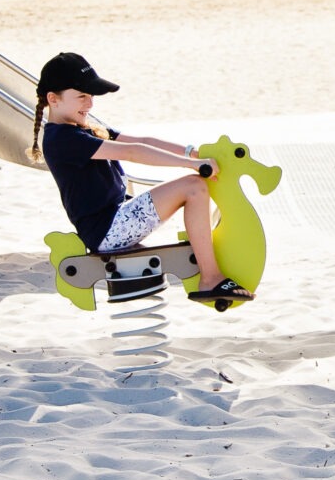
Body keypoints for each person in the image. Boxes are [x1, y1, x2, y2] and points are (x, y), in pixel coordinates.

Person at [30, 52, 252, 304]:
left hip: (117, 217)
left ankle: (207, 258)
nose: (89, 104)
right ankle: (210, 278)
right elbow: (131, 152)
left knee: (195, 185)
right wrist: (191, 165)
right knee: (193, 186)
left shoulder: (83, 128)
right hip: (108, 231)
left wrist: (194, 152)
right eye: (81, 96)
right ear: (53, 99)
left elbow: (141, 141)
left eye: (91, 96)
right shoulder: (63, 139)